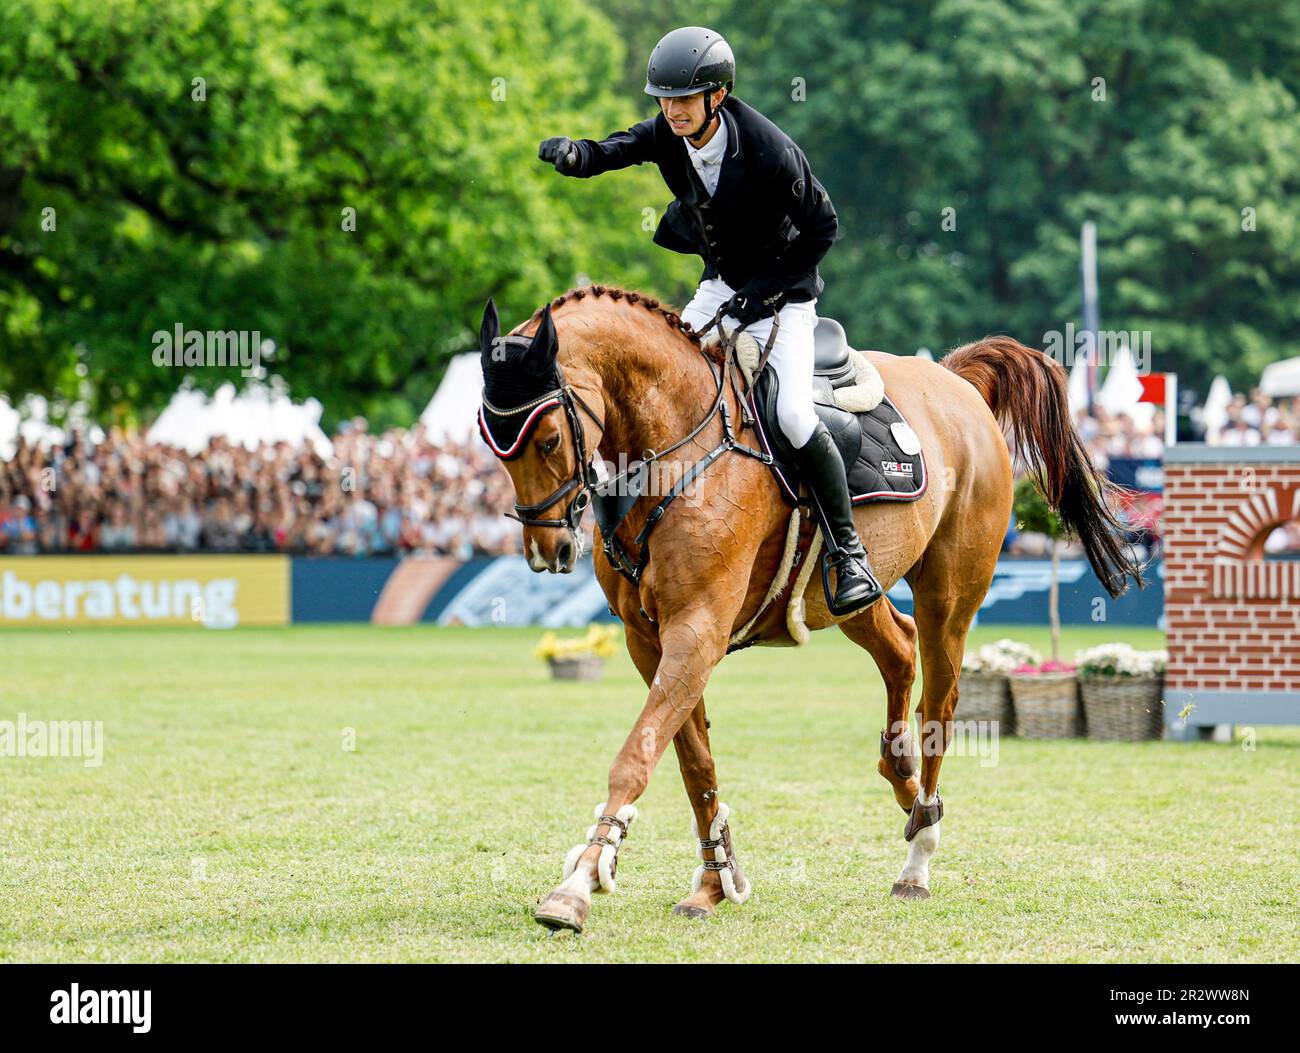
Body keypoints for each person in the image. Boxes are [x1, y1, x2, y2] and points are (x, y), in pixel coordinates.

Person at [538, 26, 881, 613]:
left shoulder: (770, 150)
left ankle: (848, 554)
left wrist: (763, 294)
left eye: (682, 99)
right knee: (658, 389)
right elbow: (619, 147)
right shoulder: (671, 133)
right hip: (719, 287)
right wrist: (578, 156)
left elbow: (824, 227)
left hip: (787, 299)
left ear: (716, 96)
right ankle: (633, 531)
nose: (670, 110)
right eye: (663, 99)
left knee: (794, 414)